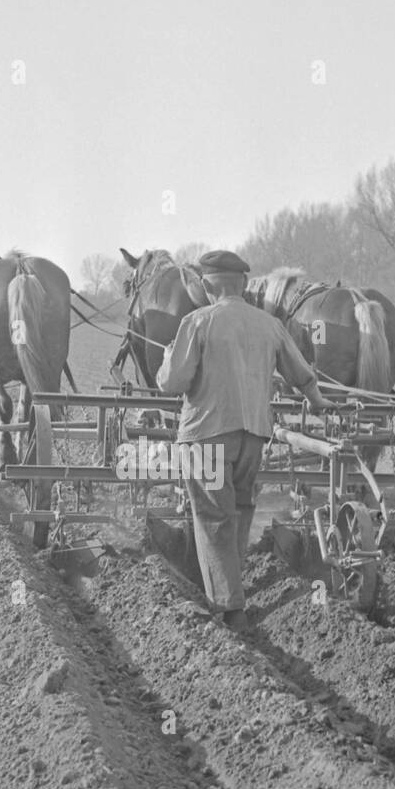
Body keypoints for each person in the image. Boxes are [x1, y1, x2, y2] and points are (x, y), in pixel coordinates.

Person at [156, 249, 335, 630]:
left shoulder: (197, 321)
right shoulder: (269, 324)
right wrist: (318, 402)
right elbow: (302, 374)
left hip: (206, 436)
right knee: (239, 508)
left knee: (213, 518)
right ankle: (232, 586)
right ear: (243, 284)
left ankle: (229, 608)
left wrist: (168, 358)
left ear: (206, 285)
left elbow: (173, 382)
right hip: (253, 435)